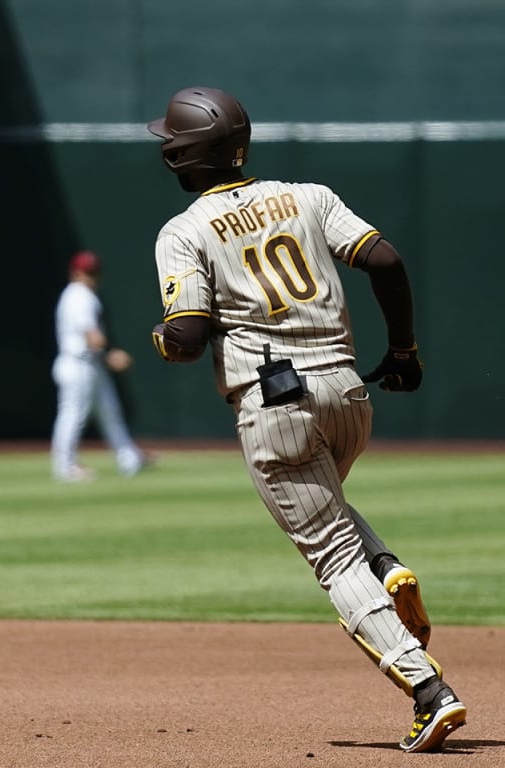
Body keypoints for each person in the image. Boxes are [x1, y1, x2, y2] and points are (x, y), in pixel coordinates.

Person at [145, 86, 465, 752]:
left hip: (274, 403)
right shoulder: (310, 196)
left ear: (180, 157)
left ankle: (429, 691)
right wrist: (403, 348)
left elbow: (189, 332)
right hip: (349, 393)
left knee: (330, 559)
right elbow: (385, 259)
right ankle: (388, 566)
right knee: (329, 509)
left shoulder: (183, 231)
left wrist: (163, 339)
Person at [50, 249, 149, 481]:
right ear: (75, 272)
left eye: (94, 272)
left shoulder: (77, 294)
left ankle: (129, 458)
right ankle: (65, 466)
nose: (91, 276)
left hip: (89, 363)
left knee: (110, 412)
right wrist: (109, 355)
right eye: (87, 271)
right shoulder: (79, 295)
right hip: (78, 364)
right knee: (73, 415)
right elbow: (91, 335)